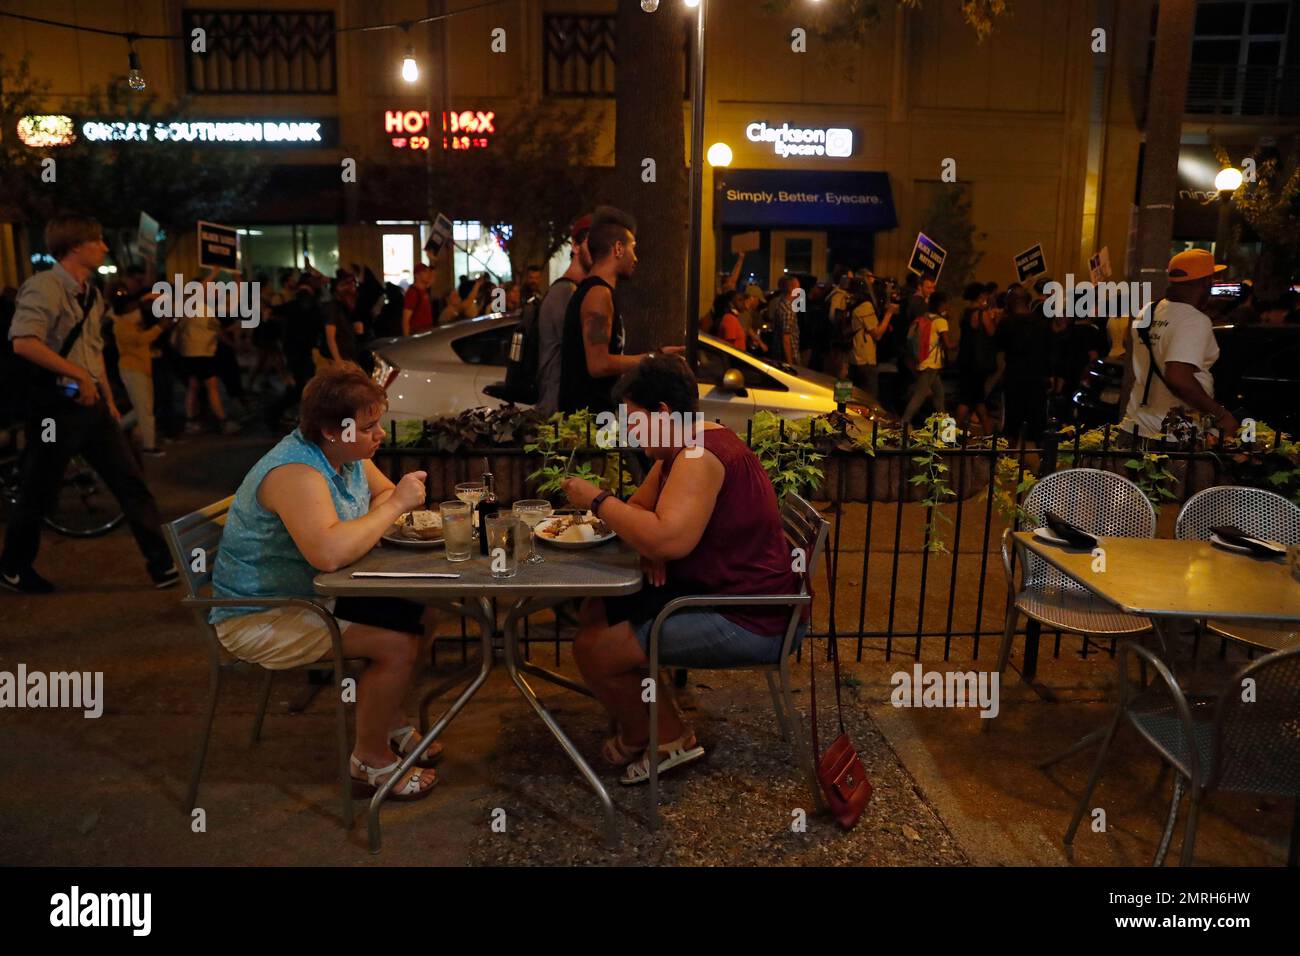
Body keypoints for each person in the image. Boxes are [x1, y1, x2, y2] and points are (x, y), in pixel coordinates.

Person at [559, 355, 807, 784]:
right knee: (597, 611)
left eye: (635, 422)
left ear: (663, 413)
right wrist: (652, 543)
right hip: (725, 594)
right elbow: (642, 511)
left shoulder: (696, 456)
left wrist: (598, 500)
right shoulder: (685, 444)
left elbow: (666, 538)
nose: (631, 434)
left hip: (753, 617)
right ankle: (646, 724)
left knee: (595, 649)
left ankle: (668, 739)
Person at [210, 365, 441, 800]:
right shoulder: (295, 472)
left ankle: (387, 719)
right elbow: (331, 553)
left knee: (425, 613)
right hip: (263, 614)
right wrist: (394, 509)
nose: (380, 435)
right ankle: (369, 759)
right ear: (333, 431)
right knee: (395, 643)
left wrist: (384, 508)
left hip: (317, 594)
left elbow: (383, 492)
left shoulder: (344, 454)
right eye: (368, 427)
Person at [1, 215, 177, 593]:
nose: (105, 248)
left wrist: (108, 399)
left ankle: (164, 566)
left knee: (131, 482)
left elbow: (93, 352)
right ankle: (13, 567)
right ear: (76, 246)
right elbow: (24, 342)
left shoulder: (92, 294)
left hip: (92, 407)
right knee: (38, 490)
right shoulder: (43, 287)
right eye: (98, 241)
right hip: (54, 410)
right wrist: (77, 375)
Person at [557, 206, 683, 414]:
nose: (636, 258)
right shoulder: (598, 295)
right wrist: (655, 359)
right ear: (618, 248)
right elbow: (598, 364)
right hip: (589, 422)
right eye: (633, 248)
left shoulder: (595, 292)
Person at [1123, 249, 1238, 440]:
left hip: (1135, 427)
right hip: (1172, 436)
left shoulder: (1148, 310)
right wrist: (1221, 415)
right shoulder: (1194, 320)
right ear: (1206, 281)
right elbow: (1178, 379)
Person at [110, 265, 172, 456]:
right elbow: (140, 340)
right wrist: (160, 328)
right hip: (132, 369)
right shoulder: (122, 325)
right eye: (131, 306)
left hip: (141, 368)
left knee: (142, 408)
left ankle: (114, 432)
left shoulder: (131, 321)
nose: (135, 308)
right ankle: (148, 446)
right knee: (144, 410)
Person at [536, 215, 592, 415]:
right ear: (575, 246)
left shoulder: (577, 291)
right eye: (592, 243)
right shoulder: (565, 293)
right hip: (558, 412)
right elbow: (581, 354)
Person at [176, 270, 240, 435]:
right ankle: (221, 420)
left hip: (204, 353)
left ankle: (193, 420)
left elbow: (233, 301)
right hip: (195, 353)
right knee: (209, 386)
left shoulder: (210, 308)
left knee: (195, 386)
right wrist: (215, 270)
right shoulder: (190, 305)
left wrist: (237, 277)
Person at [991, 286, 1051, 439]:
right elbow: (1048, 352)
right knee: (1037, 422)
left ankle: (1011, 451)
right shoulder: (1041, 324)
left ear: (1012, 301)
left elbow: (999, 351)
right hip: (1036, 378)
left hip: (1014, 377)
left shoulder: (1006, 323)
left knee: (1012, 422)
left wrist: (998, 376)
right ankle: (1037, 451)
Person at [900, 290, 955, 425]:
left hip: (923, 360)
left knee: (939, 395)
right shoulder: (941, 321)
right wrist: (959, 343)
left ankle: (944, 426)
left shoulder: (924, 317)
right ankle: (903, 423)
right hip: (931, 364)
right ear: (942, 304)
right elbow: (948, 344)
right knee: (919, 396)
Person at [954, 282, 999, 434]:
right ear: (981, 296)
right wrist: (996, 319)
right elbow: (992, 332)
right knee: (968, 400)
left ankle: (989, 435)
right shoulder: (981, 314)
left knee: (977, 401)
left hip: (965, 359)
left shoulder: (964, 313)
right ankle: (949, 435)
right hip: (977, 363)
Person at [846, 277, 896, 402]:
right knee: (870, 399)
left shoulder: (850, 303)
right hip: (864, 359)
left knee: (850, 397)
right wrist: (889, 314)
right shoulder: (865, 306)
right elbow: (877, 334)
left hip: (851, 357)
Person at [401, 264, 436, 336]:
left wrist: (433, 264)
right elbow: (405, 320)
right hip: (417, 335)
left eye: (428, 272)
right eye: (425, 272)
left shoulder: (423, 290)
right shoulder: (413, 293)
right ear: (417, 275)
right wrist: (407, 339)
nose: (428, 275)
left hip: (426, 333)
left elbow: (432, 278)